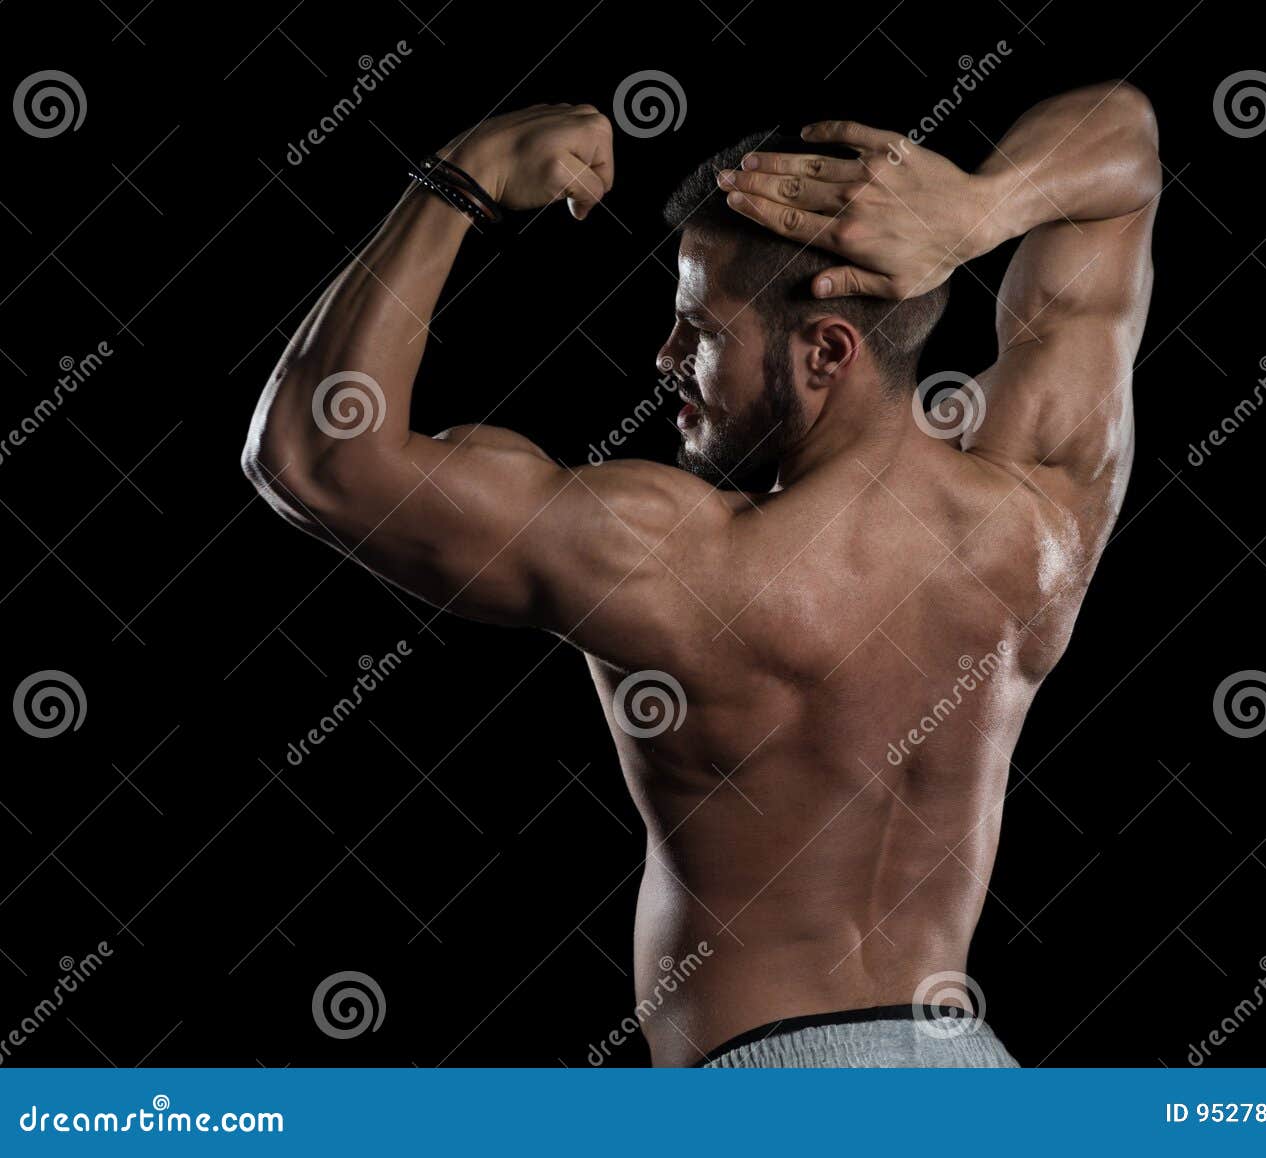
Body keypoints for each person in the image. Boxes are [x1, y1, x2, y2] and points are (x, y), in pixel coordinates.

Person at [242, 82, 1160, 1067]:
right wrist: (985, 205)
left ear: (826, 349)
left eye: (702, 329)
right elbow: (1125, 139)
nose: (664, 356)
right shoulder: (1041, 508)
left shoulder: (684, 558)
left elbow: (311, 458)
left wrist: (457, 179)